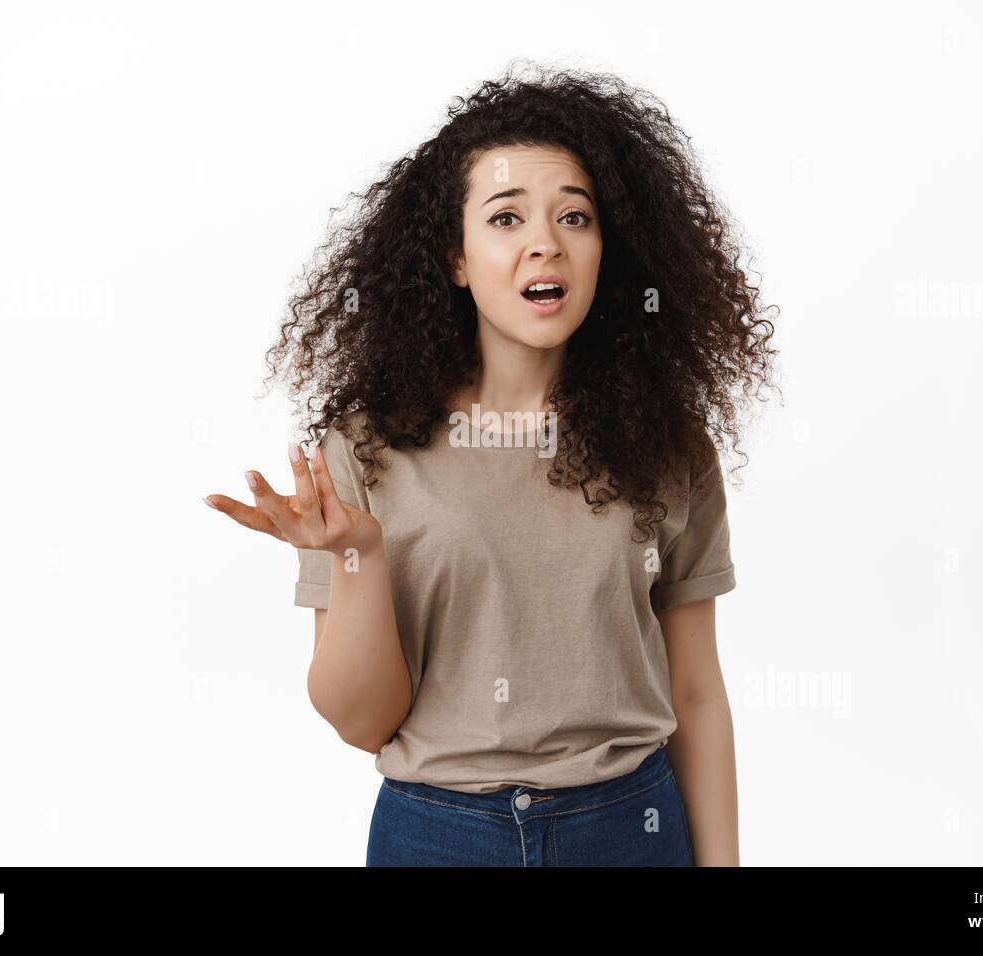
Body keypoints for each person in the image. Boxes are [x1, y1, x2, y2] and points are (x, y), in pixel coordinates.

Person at [204, 61, 779, 866]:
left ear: (607, 249)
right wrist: (353, 553)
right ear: (456, 258)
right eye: (506, 218)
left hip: (628, 830)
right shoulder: (366, 446)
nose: (546, 241)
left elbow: (696, 694)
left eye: (575, 218)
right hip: (434, 836)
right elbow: (361, 722)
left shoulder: (668, 446)